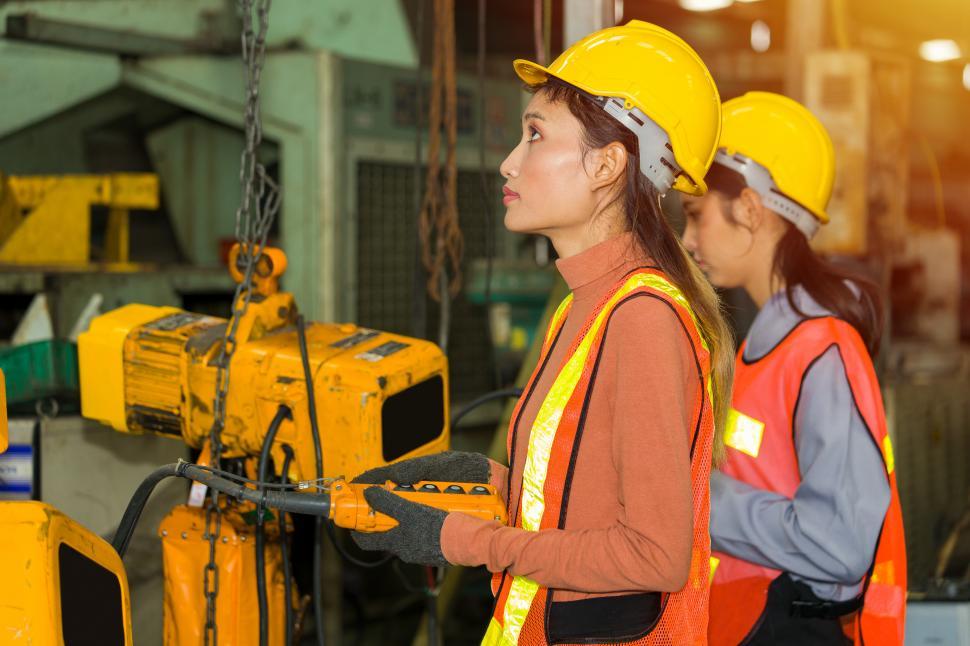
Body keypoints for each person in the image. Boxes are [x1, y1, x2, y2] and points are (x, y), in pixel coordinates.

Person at [351, 20, 734, 645]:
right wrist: (482, 482)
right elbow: (578, 496)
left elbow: (655, 555)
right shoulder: (584, 303)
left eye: (534, 135)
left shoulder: (640, 317)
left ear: (608, 164)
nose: (508, 161)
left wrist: (464, 539)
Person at [680, 91, 906, 645]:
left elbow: (838, 543)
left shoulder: (822, 350)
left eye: (695, 215)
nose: (687, 240)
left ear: (751, 209)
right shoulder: (765, 346)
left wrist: (694, 501)